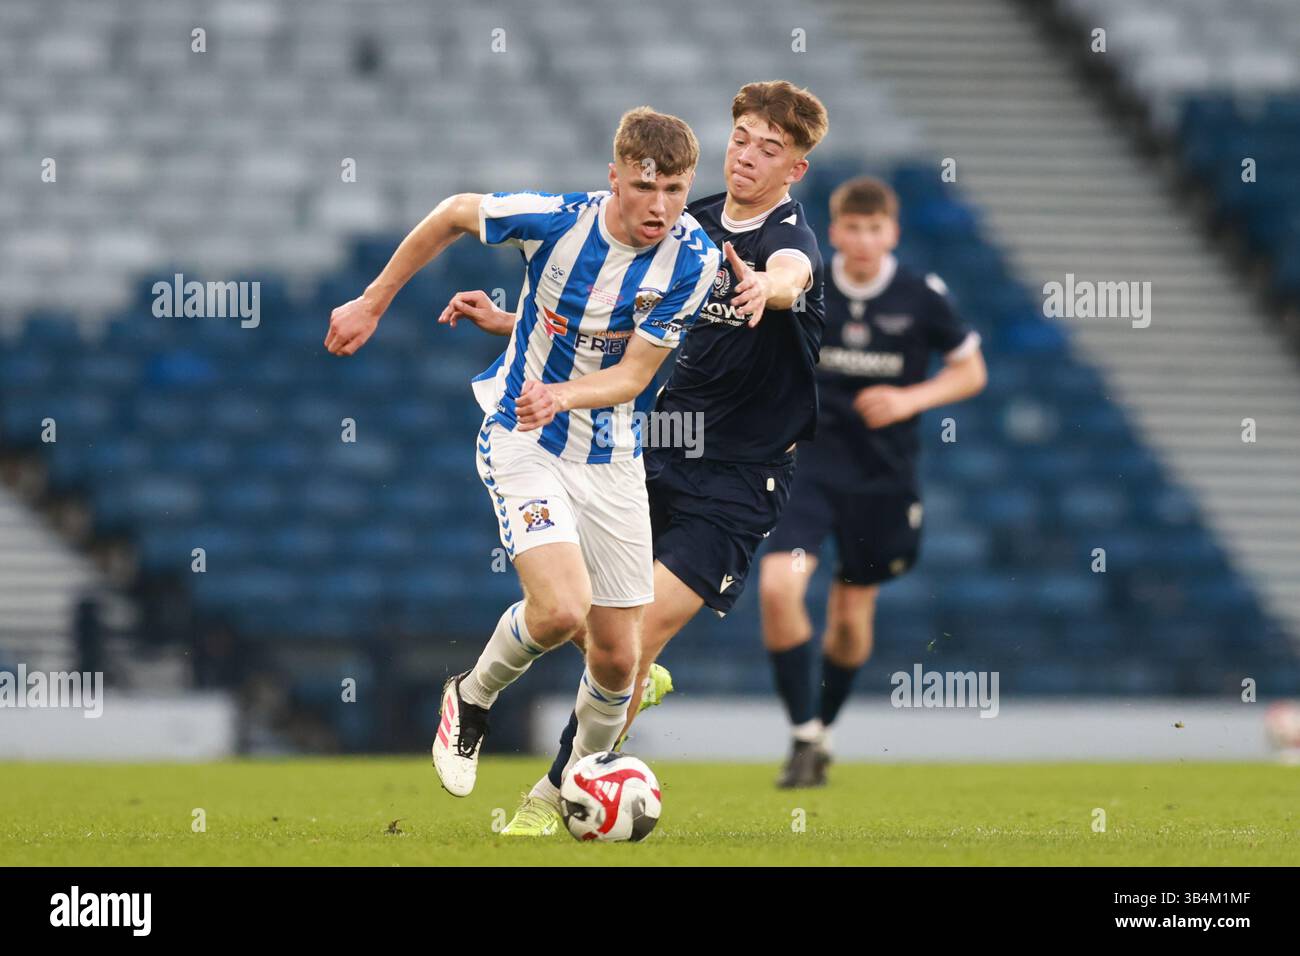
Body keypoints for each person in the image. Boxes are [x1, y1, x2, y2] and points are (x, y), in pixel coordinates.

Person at [442, 80, 830, 832]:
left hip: (741, 478)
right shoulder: (688, 220)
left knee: (637, 637)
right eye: (743, 138)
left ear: (796, 170)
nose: (748, 156)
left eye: (770, 149)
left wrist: (768, 291)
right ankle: (604, 690)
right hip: (651, 448)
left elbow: (793, 277)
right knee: (595, 631)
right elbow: (611, 313)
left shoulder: (790, 242)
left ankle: (554, 799)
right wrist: (512, 321)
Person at [324, 107, 722, 799]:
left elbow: (631, 375)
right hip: (523, 438)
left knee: (620, 659)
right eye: (643, 187)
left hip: (612, 457)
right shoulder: (558, 219)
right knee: (563, 610)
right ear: (613, 178)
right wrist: (372, 300)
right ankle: (471, 700)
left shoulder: (694, 258)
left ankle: (580, 785)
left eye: (675, 190)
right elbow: (452, 212)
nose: (659, 207)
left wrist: (556, 384)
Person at [758, 175, 988, 787]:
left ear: (892, 232)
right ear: (833, 232)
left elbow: (970, 372)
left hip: (882, 479)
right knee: (780, 587)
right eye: (851, 228)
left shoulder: (920, 296)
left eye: (874, 228)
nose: (862, 240)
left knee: (850, 615)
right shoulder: (808, 283)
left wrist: (910, 398)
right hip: (807, 469)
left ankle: (821, 734)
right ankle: (803, 732)